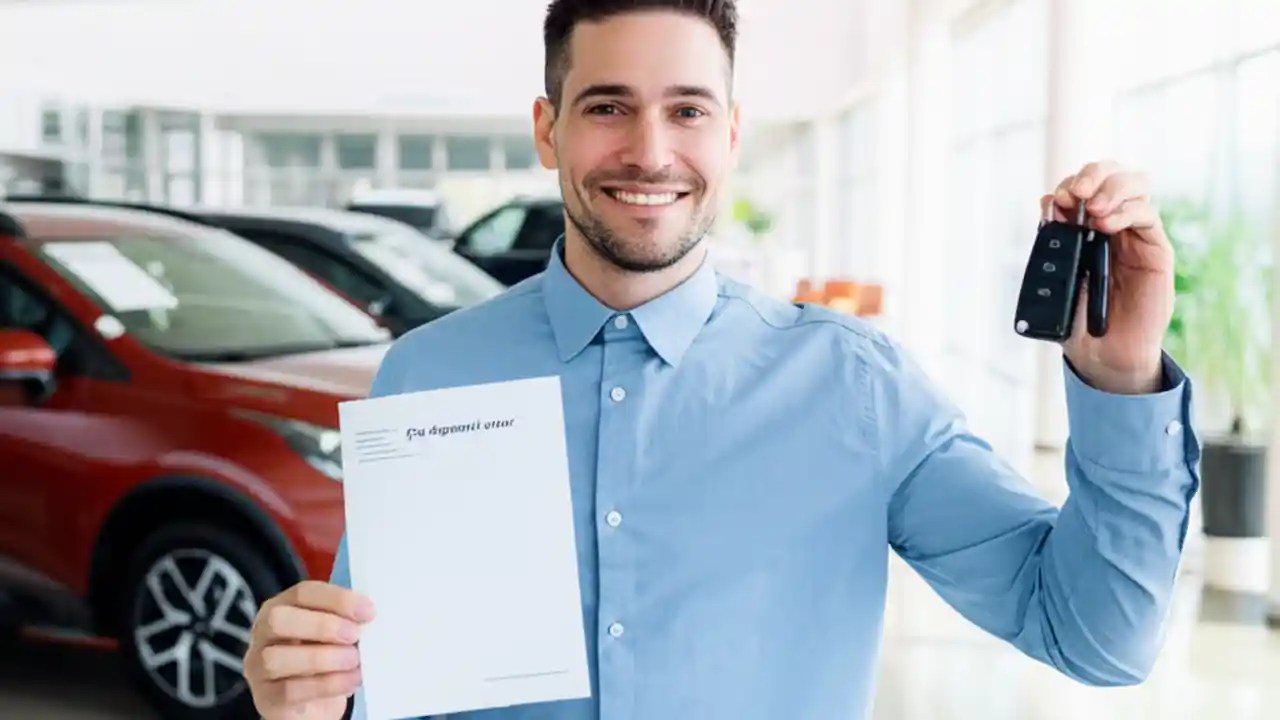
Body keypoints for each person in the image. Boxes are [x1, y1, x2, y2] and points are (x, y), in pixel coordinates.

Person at [243, 1, 1201, 718]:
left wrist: (1122, 379)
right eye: (609, 106)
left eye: (689, 111)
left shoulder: (857, 389)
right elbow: (377, 685)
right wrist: (308, 690)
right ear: (549, 130)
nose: (650, 152)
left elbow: (1097, 638)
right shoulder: (426, 375)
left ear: (732, 134)